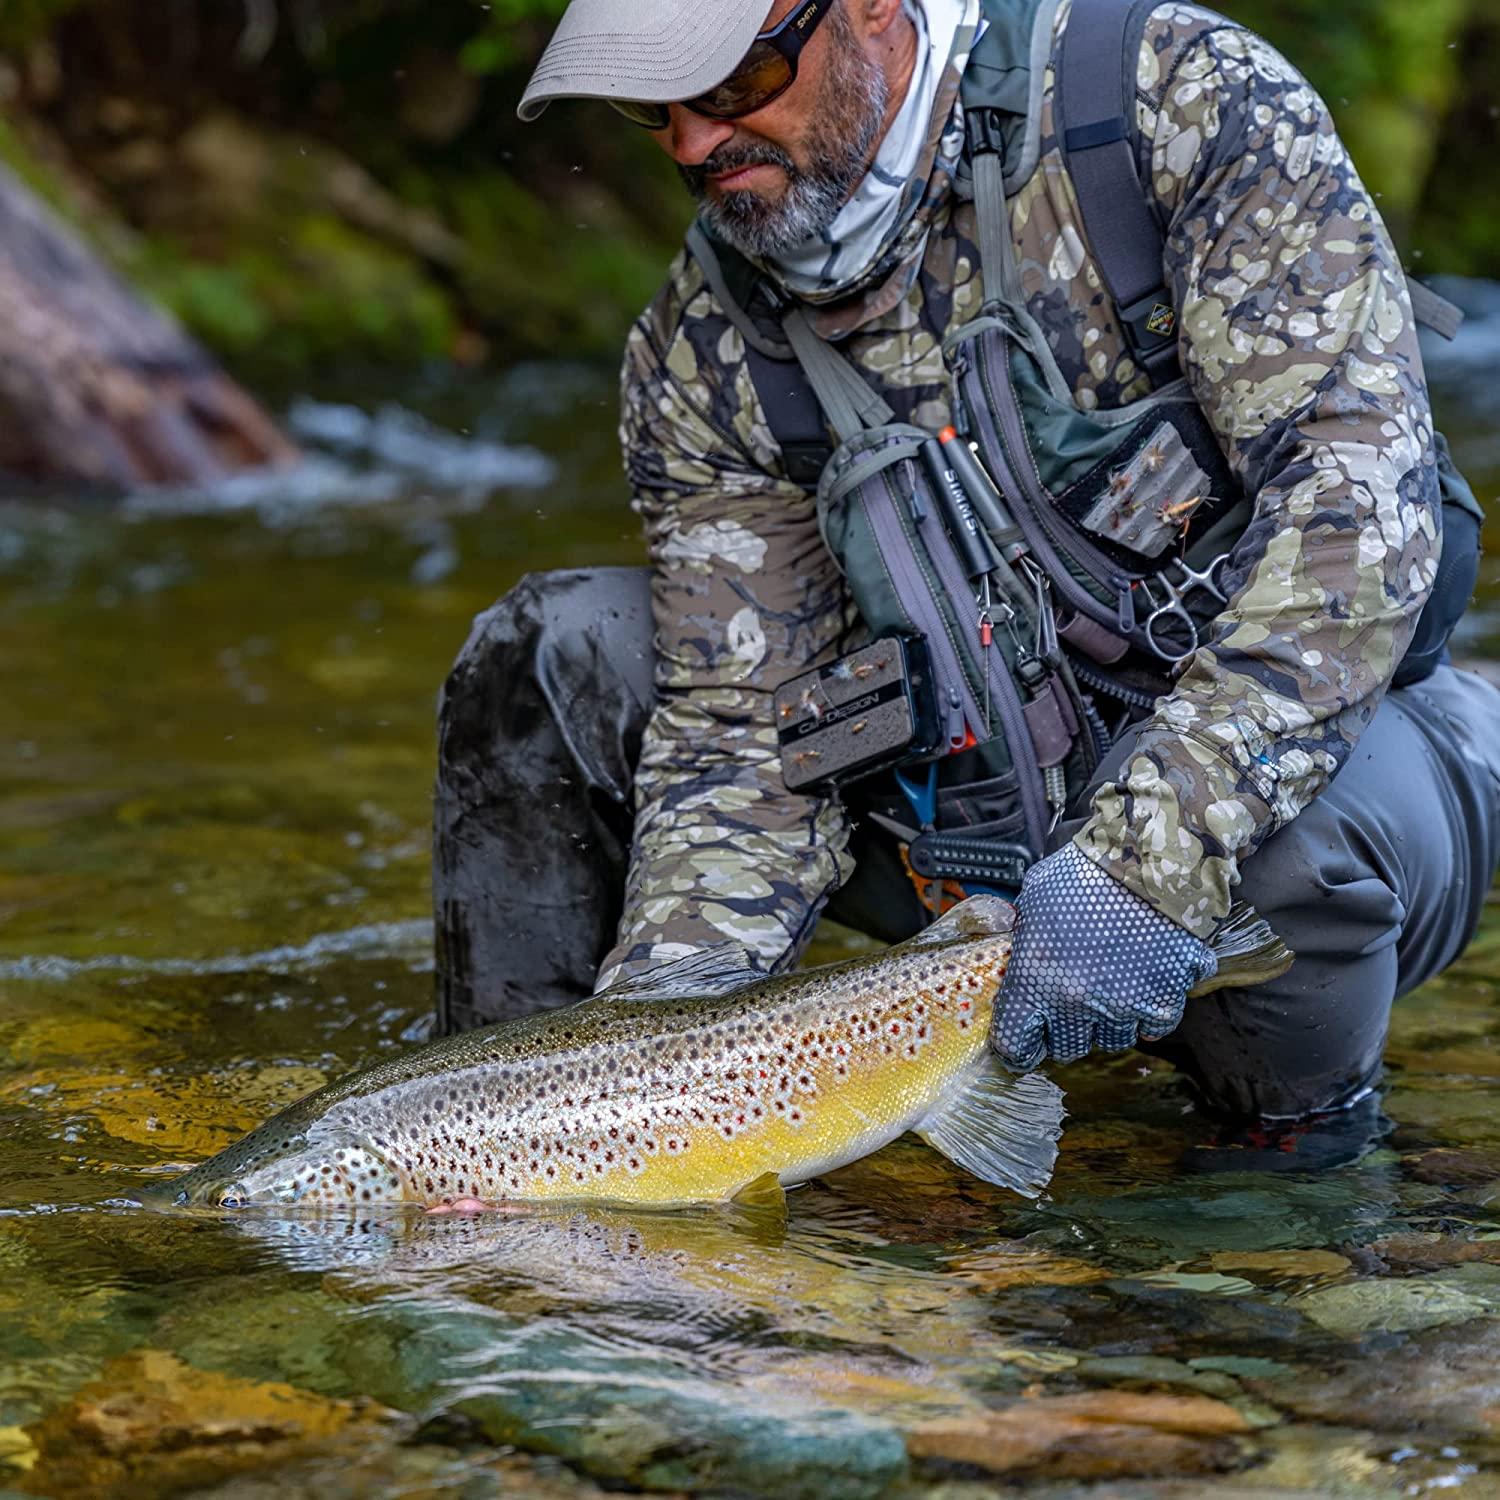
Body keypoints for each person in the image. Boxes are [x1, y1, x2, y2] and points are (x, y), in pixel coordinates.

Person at [432, 0, 1500, 1141]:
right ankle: (497, 1129)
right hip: (962, 831)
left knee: (1284, 893)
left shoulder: (1171, 102)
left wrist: (1144, 869)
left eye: (732, 83)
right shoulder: (701, 347)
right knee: (553, 652)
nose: (693, 143)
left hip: (1322, 777)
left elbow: (1356, 530)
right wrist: (662, 1060)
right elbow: (743, 737)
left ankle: (1290, 1199)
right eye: (653, 107)